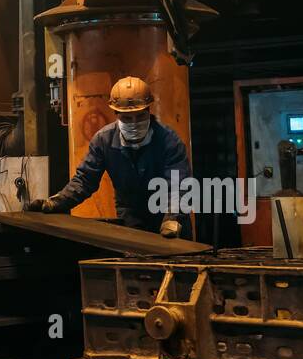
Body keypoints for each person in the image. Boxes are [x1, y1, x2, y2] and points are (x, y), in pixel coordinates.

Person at [28, 76, 191, 238]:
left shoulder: (168, 141)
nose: (134, 122)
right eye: (127, 118)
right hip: (130, 217)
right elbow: (85, 180)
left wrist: (172, 218)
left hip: (168, 216)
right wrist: (57, 202)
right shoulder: (103, 140)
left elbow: (180, 185)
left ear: (149, 110)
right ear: (116, 114)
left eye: (140, 116)